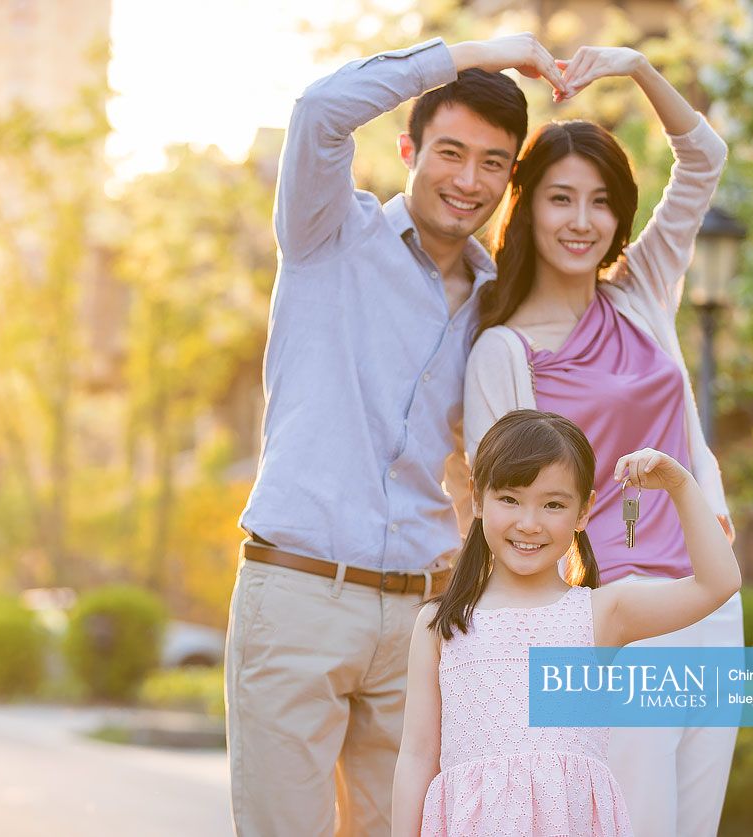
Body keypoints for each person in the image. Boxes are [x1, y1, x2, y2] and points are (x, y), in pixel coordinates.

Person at [225, 33, 570, 837]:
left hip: (420, 617)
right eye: (450, 151)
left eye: (493, 163)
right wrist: (484, 50)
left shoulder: (497, 306)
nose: (468, 179)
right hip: (300, 596)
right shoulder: (326, 235)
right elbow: (318, 110)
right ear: (409, 148)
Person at [461, 46, 743, 836]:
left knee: (694, 822)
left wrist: (633, 66)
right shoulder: (502, 353)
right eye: (558, 199)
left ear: (619, 212)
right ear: (527, 208)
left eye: (598, 201)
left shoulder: (641, 292)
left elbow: (702, 158)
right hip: (611, 622)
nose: (580, 222)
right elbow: (502, 523)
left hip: (711, 599)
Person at [391, 409, 742, 836]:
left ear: (583, 512)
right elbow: (416, 756)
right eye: (509, 499)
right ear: (477, 497)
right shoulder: (441, 624)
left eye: (553, 504)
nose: (529, 523)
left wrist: (680, 484)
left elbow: (718, 583)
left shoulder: (600, 615)